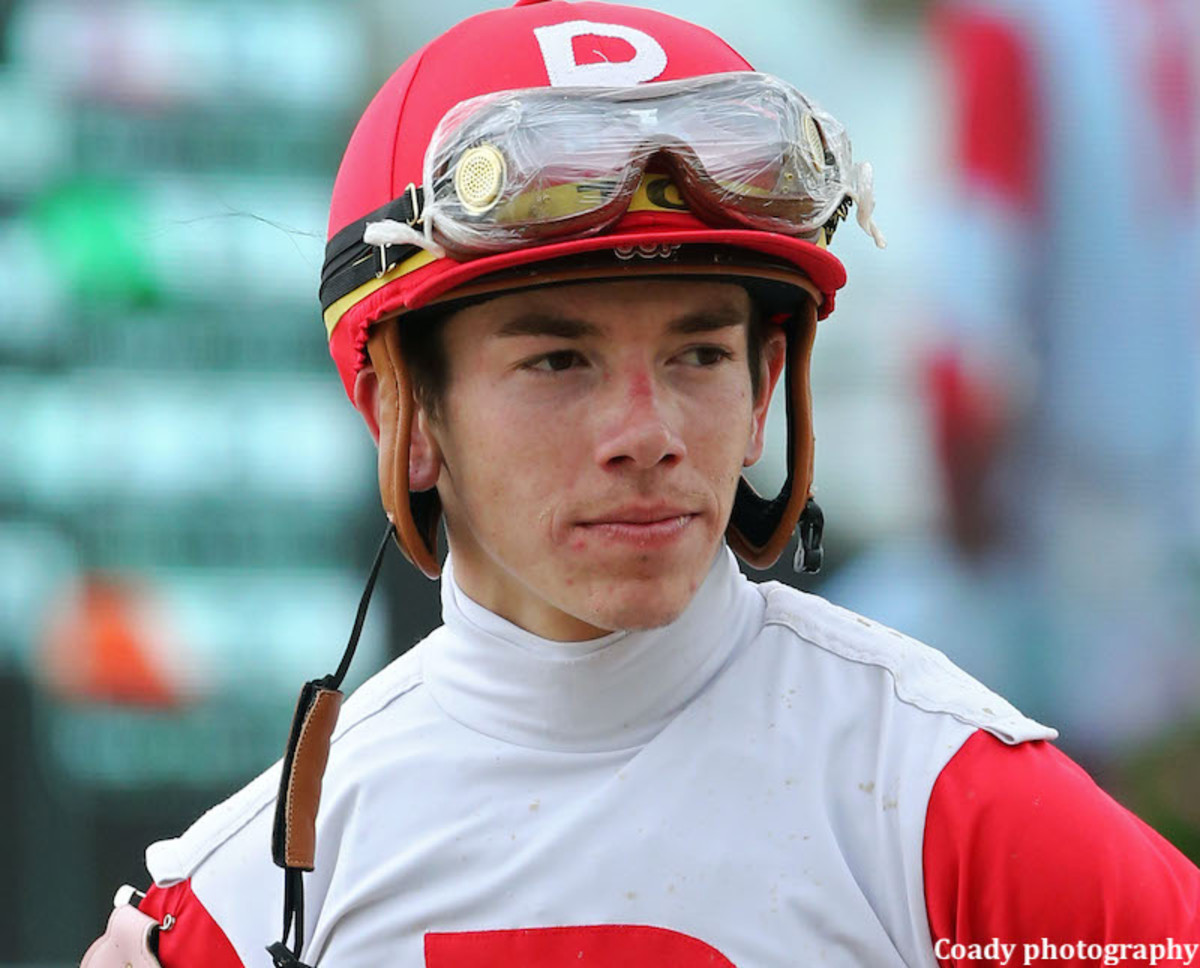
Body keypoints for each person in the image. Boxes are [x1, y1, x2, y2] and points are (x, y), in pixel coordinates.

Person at [81, 1, 1200, 966]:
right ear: (404, 415)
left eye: (699, 354)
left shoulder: (958, 802)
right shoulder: (233, 908)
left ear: (768, 384)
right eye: (558, 360)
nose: (647, 432)